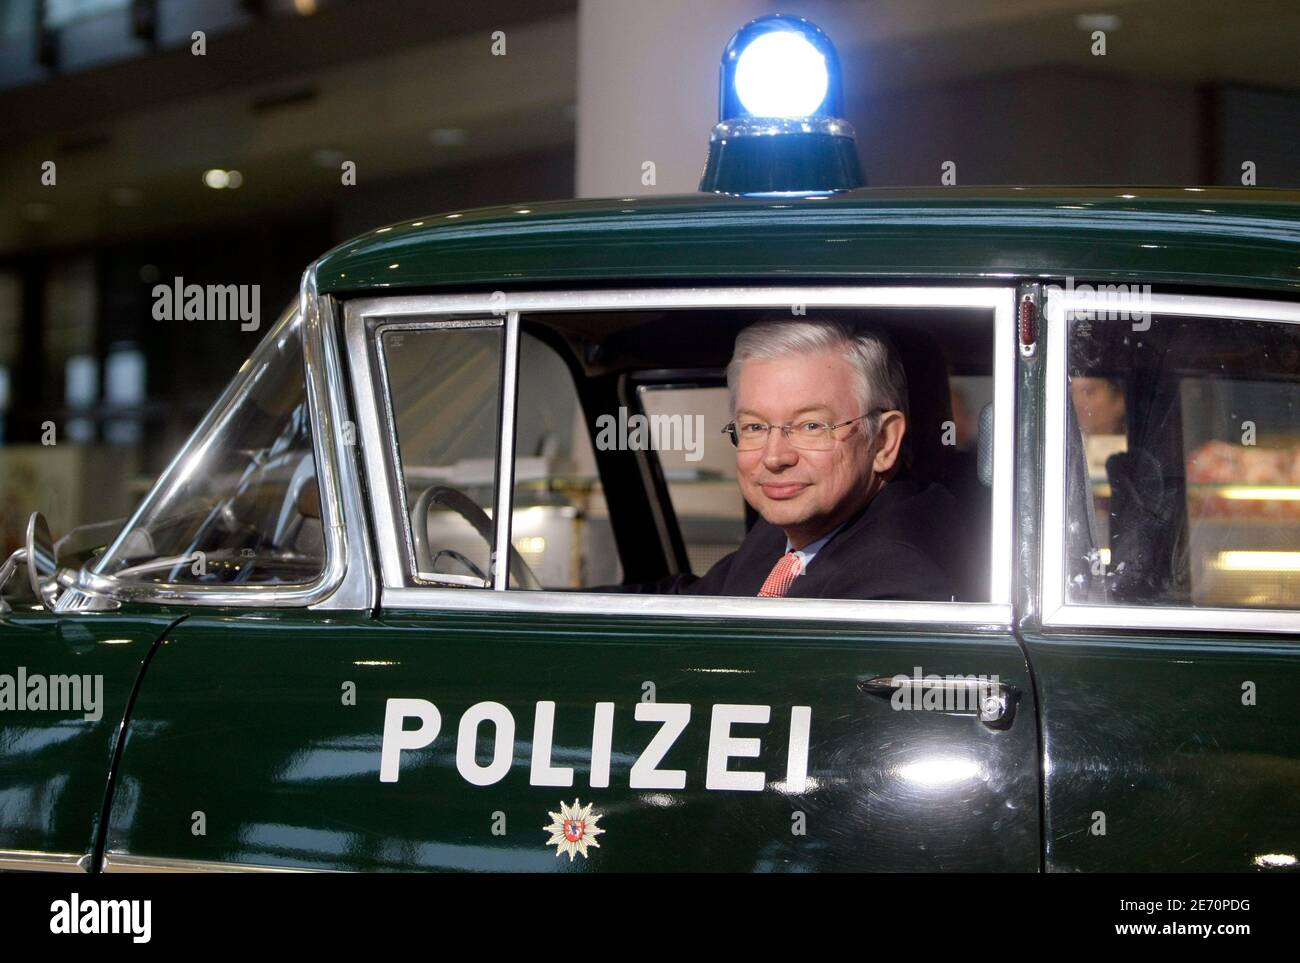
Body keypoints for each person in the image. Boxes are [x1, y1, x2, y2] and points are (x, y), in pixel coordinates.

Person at [616, 318, 966, 601]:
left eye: (810, 425)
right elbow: (691, 601)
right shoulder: (790, 534)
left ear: (885, 441)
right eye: (754, 426)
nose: (774, 457)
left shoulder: (891, 581)